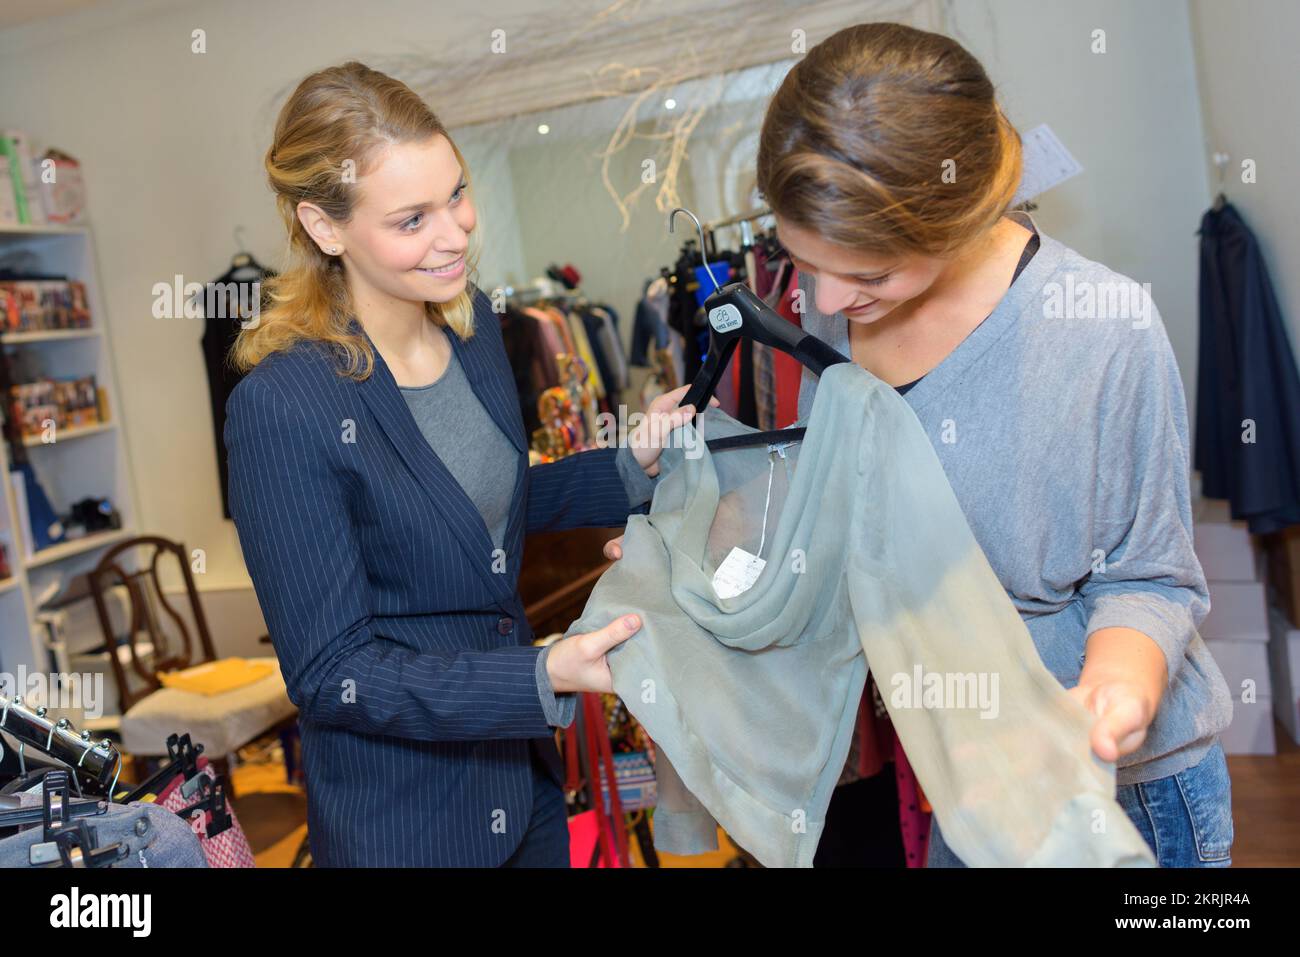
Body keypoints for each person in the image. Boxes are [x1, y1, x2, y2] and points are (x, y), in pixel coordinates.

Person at [224, 61, 707, 867]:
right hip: (411, 820)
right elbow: (332, 671)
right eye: (412, 219)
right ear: (325, 226)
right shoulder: (285, 405)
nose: (454, 233)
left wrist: (630, 466)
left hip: (522, 784)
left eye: (456, 194)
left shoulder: (471, 326)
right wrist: (535, 675)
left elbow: (478, 506)